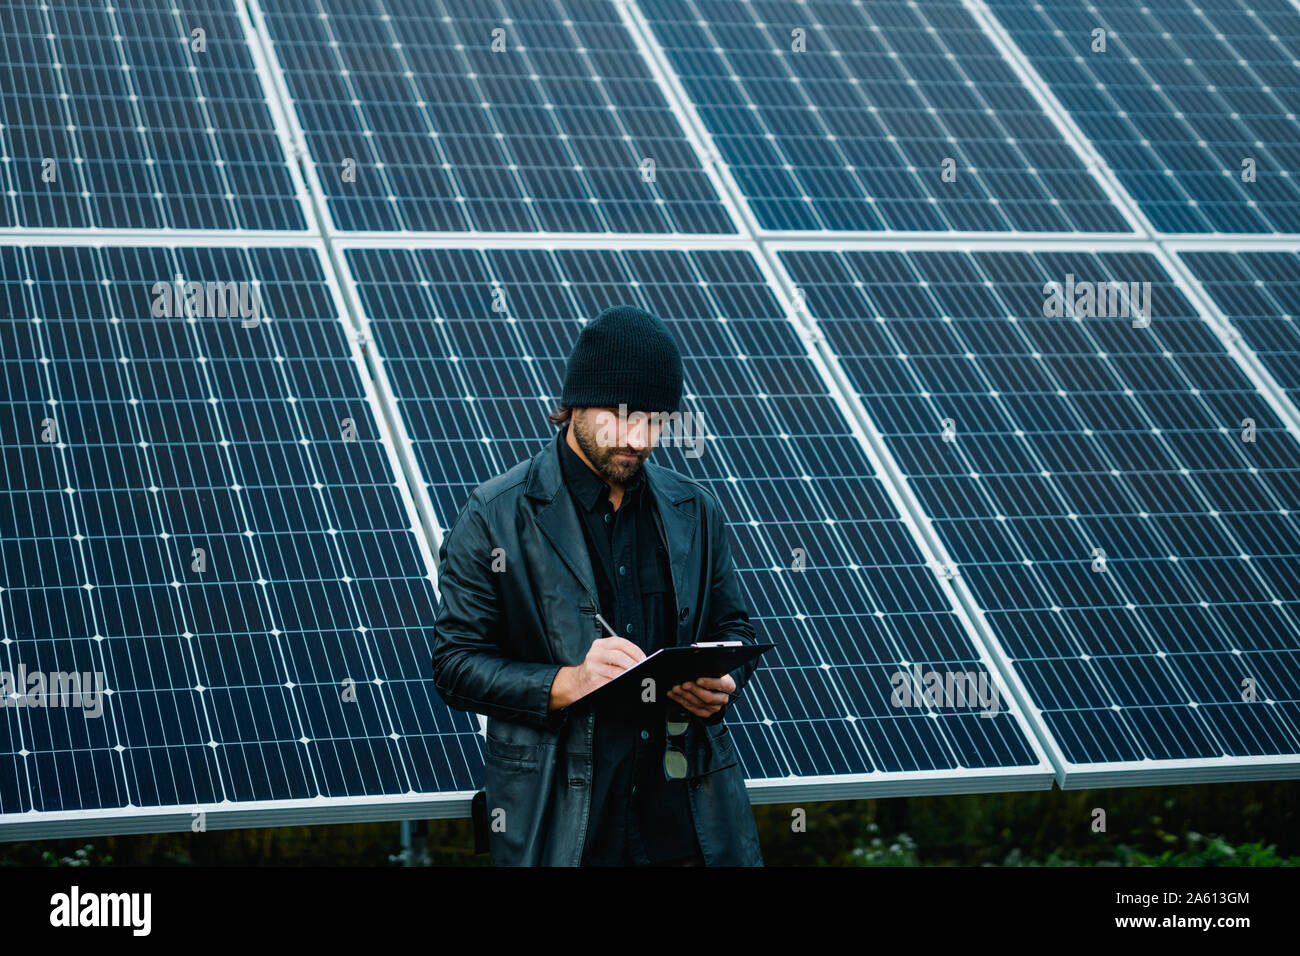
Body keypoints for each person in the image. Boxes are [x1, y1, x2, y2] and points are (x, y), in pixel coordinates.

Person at [430, 304, 764, 866]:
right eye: (619, 415)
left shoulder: (694, 510)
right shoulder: (495, 515)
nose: (637, 436)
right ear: (575, 404)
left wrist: (720, 679)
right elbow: (455, 667)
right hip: (564, 829)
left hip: (688, 824)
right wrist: (568, 681)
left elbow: (734, 627)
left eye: (654, 420)